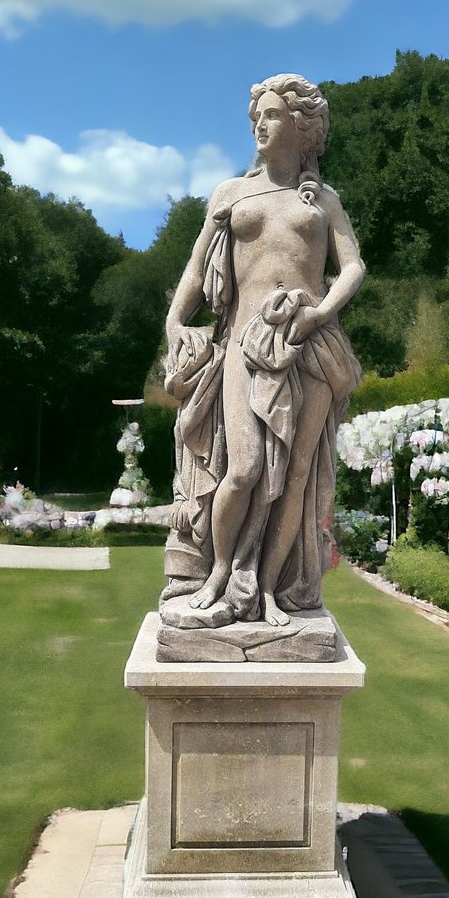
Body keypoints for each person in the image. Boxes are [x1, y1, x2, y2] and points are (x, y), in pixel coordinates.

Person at [162, 73, 364, 627]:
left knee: (295, 480)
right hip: (243, 346)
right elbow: (197, 268)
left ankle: (268, 590)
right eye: (257, 115)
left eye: (272, 115)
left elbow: (353, 268)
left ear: (301, 129)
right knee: (247, 467)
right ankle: (222, 575)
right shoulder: (231, 193)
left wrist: (321, 314)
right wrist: (176, 321)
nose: (259, 123)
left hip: (310, 345)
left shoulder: (323, 199)